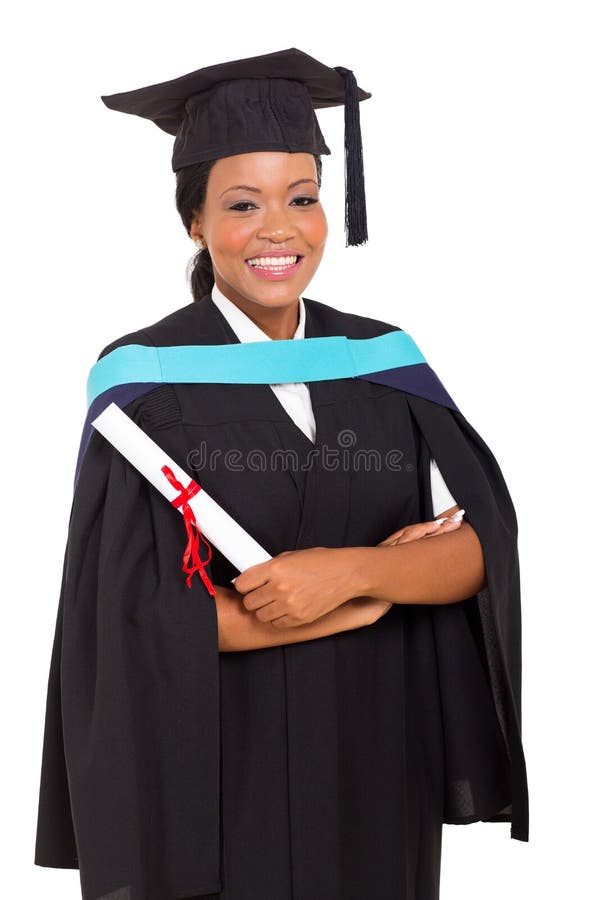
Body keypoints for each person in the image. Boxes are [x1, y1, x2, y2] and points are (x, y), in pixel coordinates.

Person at [34, 48, 528, 900]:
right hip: (222, 773)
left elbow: (486, 547)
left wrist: (352, 573)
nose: (279, 228)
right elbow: (133, 616)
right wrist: (374, 597)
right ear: (194, 222)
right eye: (241, 204)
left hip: (377, 760)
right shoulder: (145, 380)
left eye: (303, 199)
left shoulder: (380, 359)